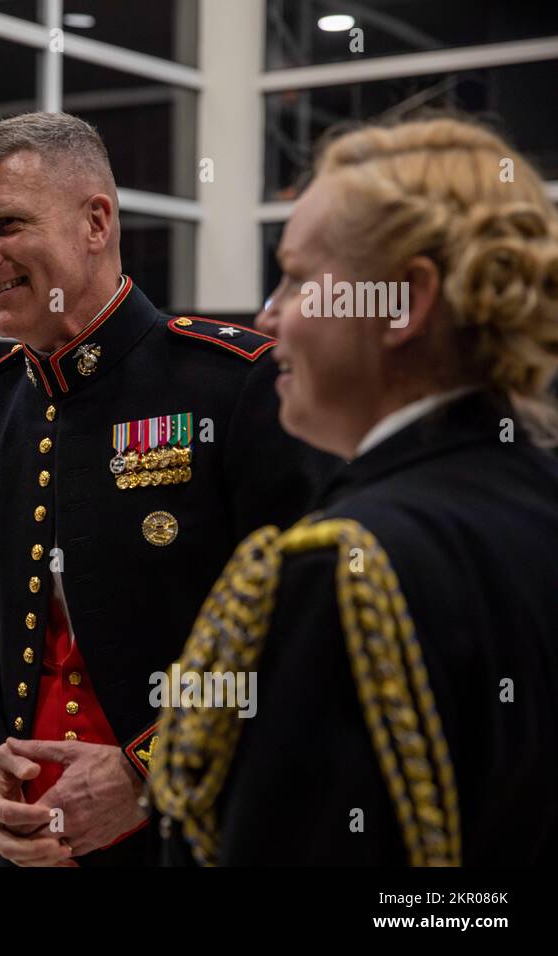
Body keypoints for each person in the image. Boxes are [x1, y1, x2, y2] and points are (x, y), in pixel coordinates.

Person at [0, 112, 335, 866]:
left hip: (200, 831)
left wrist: (148, 773)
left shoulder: (236, 387)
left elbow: (304, 630)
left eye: (6, 224)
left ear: (96, 222)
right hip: (33, 842)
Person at [150, 116, 558, 866]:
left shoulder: (341, 570)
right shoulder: (533, 496)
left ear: (402, 302)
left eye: (298, 278)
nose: (268, 315)